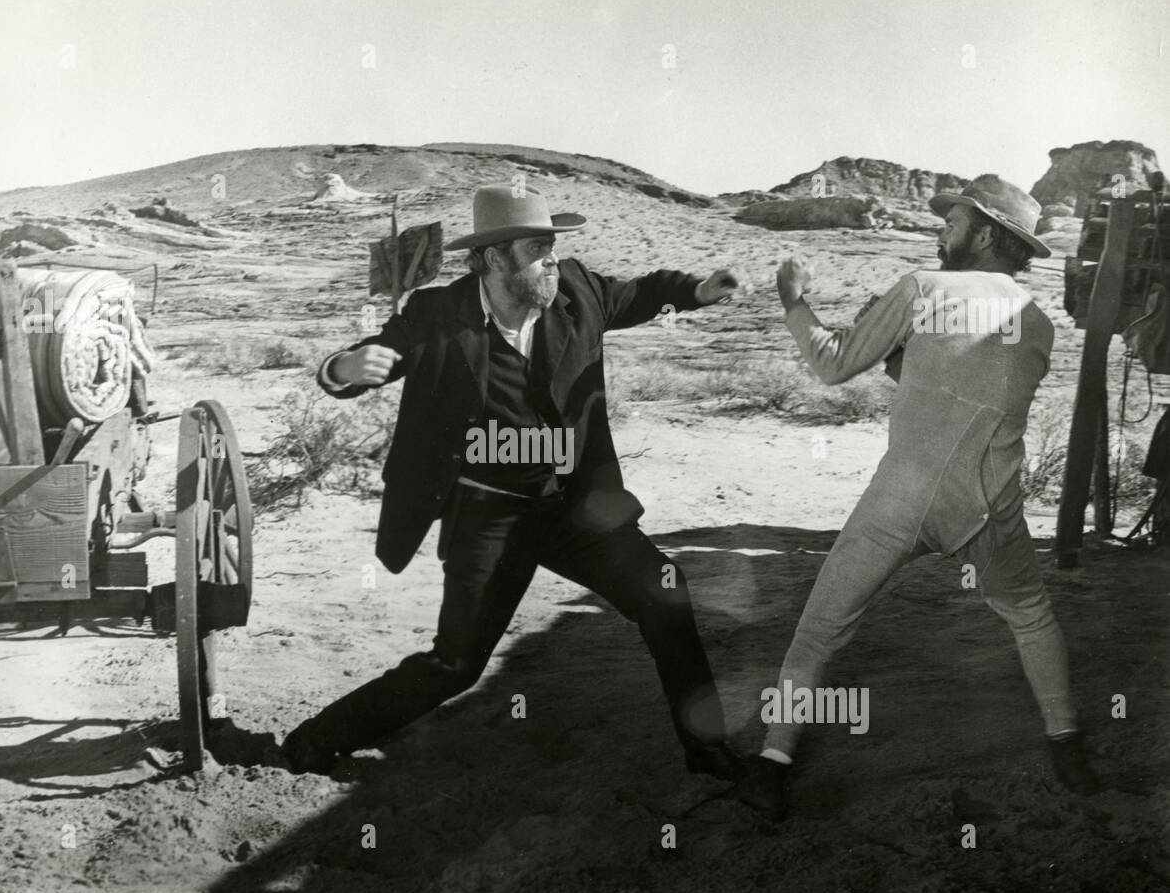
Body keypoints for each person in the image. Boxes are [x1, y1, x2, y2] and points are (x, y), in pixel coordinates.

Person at [283, 184, 745, 781]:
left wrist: (698, 291)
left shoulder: (578, 290)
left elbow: (645, 293)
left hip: (574, 508)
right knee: (457, 665)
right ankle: (313, 742)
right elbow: (370, 357)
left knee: (665, 592)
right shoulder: (436, 314)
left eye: (552, 246)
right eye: (536, 249)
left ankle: (707, 752)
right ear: (492, 258)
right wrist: (343, 367)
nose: (552, 260)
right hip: (488, 515)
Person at [738, 174, 1101, 820]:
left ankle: (772, 764)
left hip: (900, 500)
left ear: (984, 235)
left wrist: (794, 301)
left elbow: (832, 364)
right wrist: (905, 355)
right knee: (1030, 615)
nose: (942, 232)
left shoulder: (922, 288)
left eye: (953, 223)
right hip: (989, 505)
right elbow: (964, 385)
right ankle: (1067, 746)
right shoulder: (1039, 323)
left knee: (819, 632)